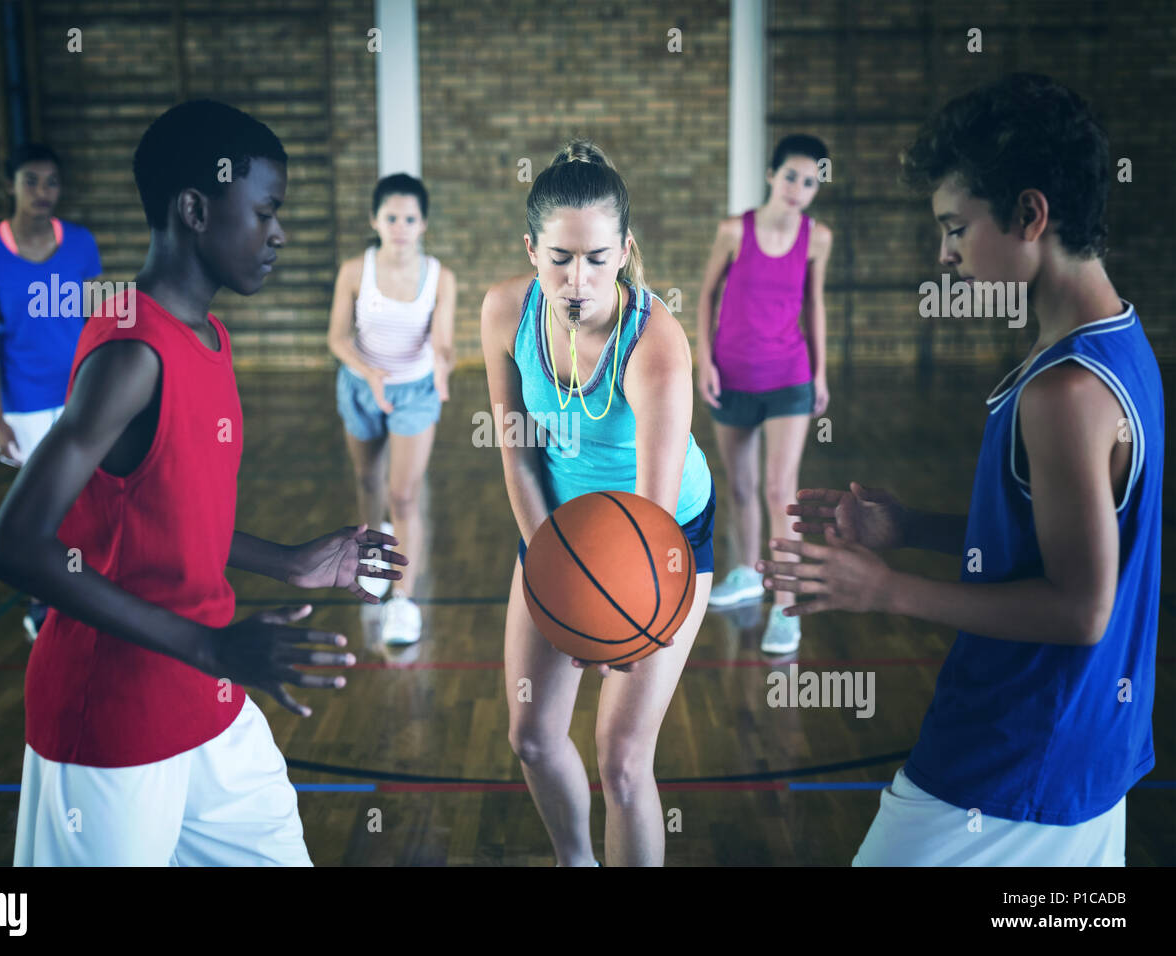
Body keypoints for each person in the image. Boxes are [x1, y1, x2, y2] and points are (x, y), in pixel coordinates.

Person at [0, 99, 405, 866]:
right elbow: (12, 546)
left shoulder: (205, 335)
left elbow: (154, 513)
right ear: (195, 208)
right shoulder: (130, 354)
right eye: (266, 210)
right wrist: (209, 648)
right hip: (113, 718)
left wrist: (287, 562)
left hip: (211, 703)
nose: (279, 232)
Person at [759, 74, 1163, 865]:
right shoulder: (1120, 345)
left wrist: (885, 589)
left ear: (1029, 215)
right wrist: (910, 529)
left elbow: (1082, 607)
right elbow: (1059, 542)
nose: (943, 255)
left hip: (1008, 762)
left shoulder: (1065, 392)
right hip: (1084, 753)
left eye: (954, 228)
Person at [481, 140, 716, 866]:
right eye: (558, 257)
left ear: (625, 251)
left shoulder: (657, 345)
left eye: (595, 257)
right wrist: (553, 567)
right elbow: (516, 452)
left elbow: (651, 515)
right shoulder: (503, 311)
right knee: (531, 735)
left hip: (661, 540)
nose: (576, 279)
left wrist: (627, 623)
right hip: (557, 524)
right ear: (531, 248)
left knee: (620, 760)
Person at [696, 134, 832, 654]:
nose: (799, 189)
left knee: (781, 492)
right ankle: (748, 572)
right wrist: (703, 359)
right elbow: (706, 293)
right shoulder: (734, 230)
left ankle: (786, 609)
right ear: (772, 175)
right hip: (731, 376)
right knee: (741, 486)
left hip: (789, 378)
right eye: (792, 176)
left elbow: (813, 303)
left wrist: (819, 374)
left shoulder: (818, 238)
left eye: (811, 181)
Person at [0, 143, 102, 641]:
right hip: (21, 401)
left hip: (79, 396)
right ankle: (42, 603)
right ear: (11, 185)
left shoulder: (82, 244)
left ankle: (78, 600)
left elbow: (95, 325)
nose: (42, 192)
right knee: (41, 509)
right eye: (31, 181)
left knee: (84, 504)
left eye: (51, 182)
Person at [328, 174, 455, 646]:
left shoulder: (441, 277)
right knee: (368, 482)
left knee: (403, 495)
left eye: (410, 219)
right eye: (391, 217)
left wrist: (443, 367)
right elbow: (337, 338)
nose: (400, 227)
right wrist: (369, 372)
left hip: (415, 392)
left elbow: (441, 342)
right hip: (361, 387)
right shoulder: (352, 271)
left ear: (423, 225)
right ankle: (374, 553)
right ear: (374, 220)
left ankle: (404, 601)